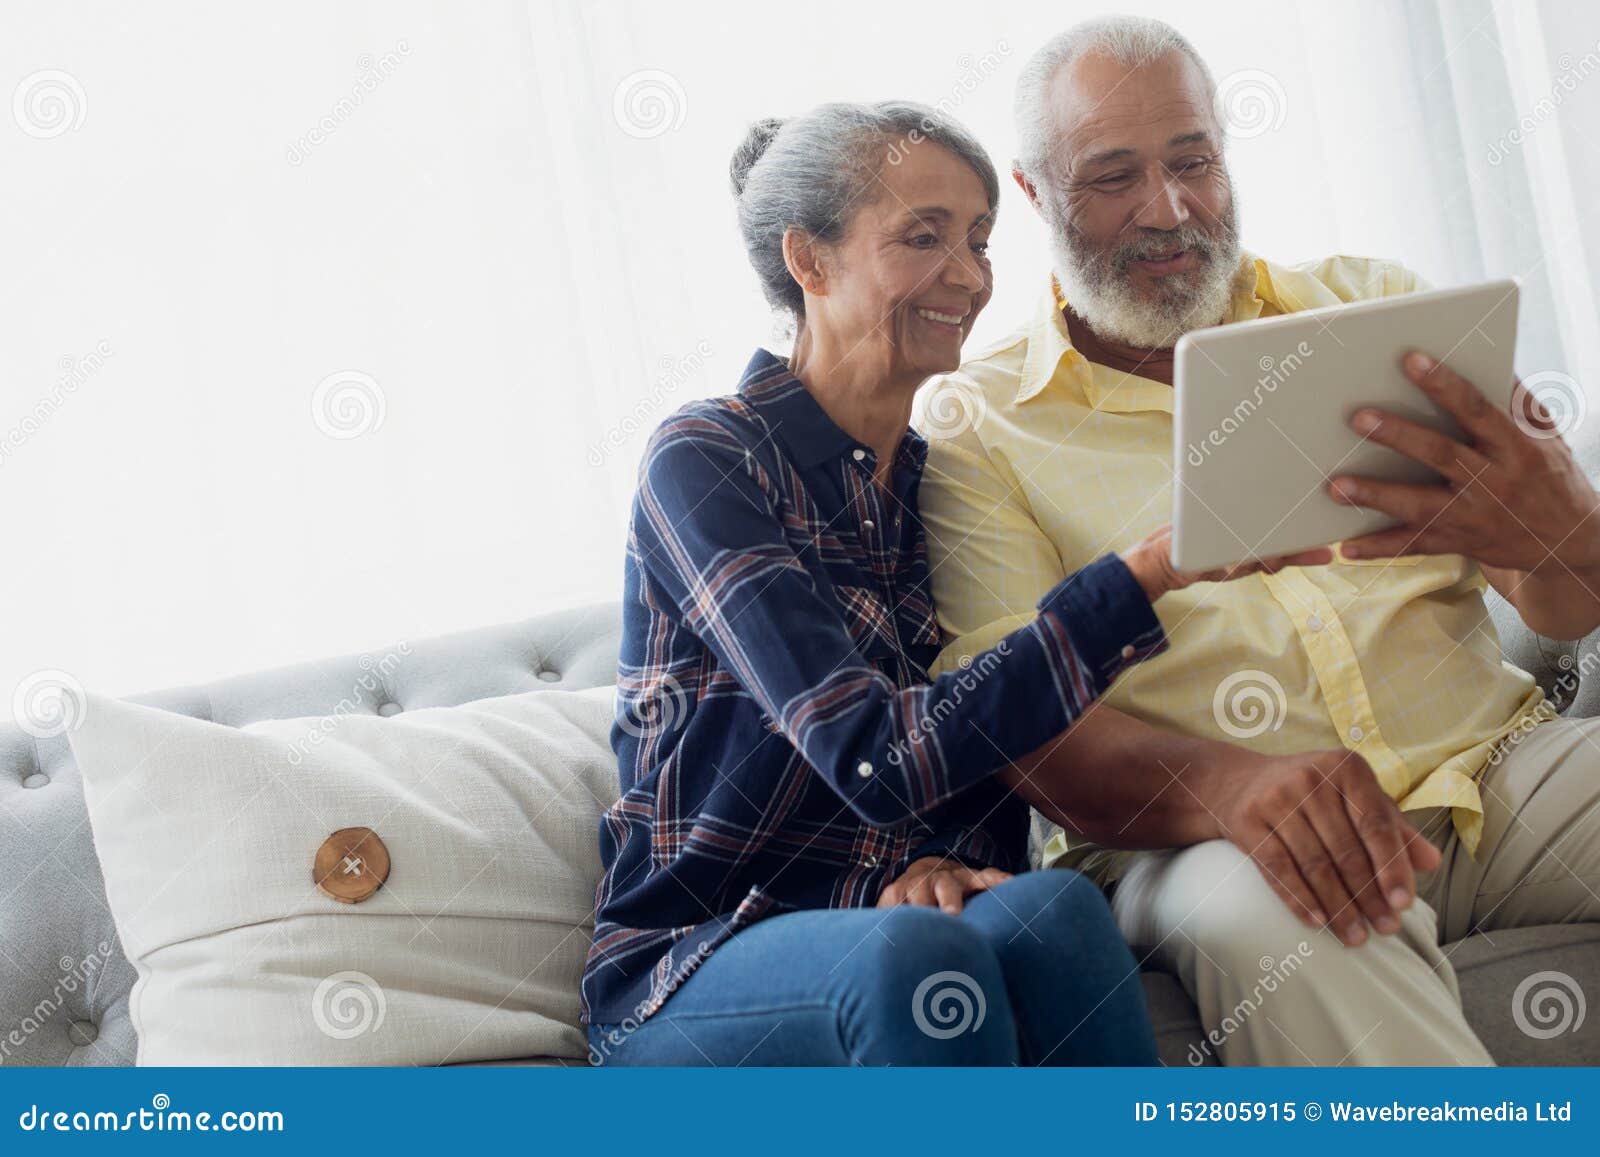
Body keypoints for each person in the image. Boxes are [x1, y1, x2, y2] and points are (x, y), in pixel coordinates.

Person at [581, 100, 1327, 1066]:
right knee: (914, 955)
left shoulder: (948, 483)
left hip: (890, 922)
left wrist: (943, 862)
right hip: (696, 961)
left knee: (1052, 908)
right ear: (809, 260)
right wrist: (1147, 572)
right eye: (922, 238)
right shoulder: (712, 460)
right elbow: (867, 757)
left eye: (979, 239)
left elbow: (978, 733)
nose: (970, 275)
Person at [918, 14, 1600, 1065]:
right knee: (1281, 907)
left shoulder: (1370, 303)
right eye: (1113, 177)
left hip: (1491, 771)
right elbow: (1015, 723)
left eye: (1193, 160)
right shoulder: (979, 427)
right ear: (1033, 191)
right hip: (1199, 836)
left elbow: (1556, 603)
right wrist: (1226, 783)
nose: (1170, 208)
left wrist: (1569, 527)